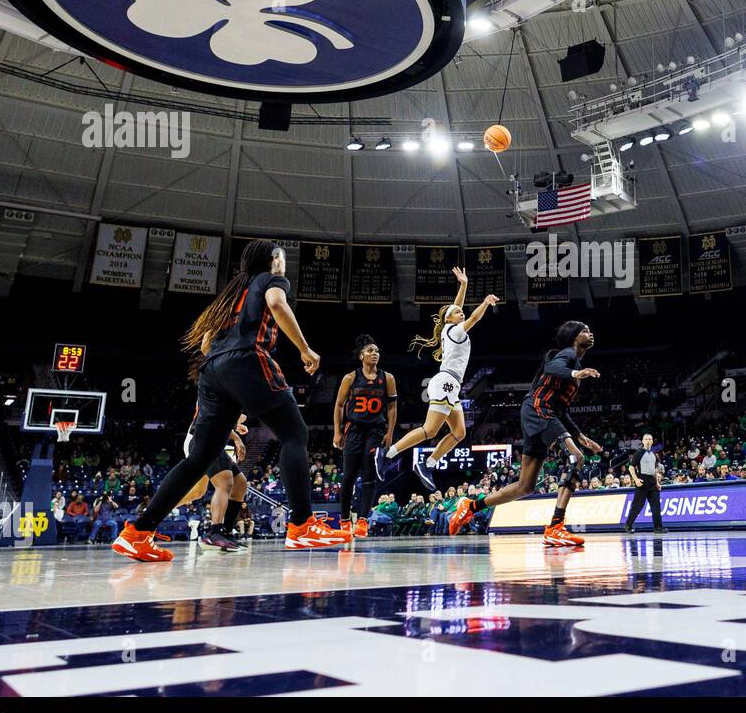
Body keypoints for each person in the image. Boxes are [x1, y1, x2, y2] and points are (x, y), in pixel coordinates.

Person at [113, 239, 351, 562]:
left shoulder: (230, 296)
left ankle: (138, 533)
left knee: (198, 460)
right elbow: (278, 304)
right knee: (295, 434)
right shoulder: (270, 279)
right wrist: (304, 348)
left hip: (212, 371)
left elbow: (208, 343)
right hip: (247, 359)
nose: (283, 263)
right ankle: (302, 525)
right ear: (273, 261)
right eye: (281, 257)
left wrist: (228, 372)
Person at [446, 321, 602, 546]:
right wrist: (578, 372)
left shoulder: (573, 363)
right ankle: (556, 526)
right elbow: (551, 369)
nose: (591, 332)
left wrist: (581, 436)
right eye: (585, 330)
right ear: (574, 337)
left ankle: (471, 506)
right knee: (576, 458)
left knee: (525, 486)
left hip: (538, 411)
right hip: (539, 409)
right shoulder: (566, 355)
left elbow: (562, 410)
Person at [385, 267, 499, 489]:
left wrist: (464, 285)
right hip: (446, 382)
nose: (461, 312)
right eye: (458, 313)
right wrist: (485, 302)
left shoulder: (450, 327)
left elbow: (457, 308)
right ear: (450, 318)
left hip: (450, 384)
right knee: (430, 430)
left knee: (459, 432)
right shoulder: (456, 330)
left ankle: (429, 463)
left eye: (460, 311)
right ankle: (388, 454)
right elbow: (474, 317)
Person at [332, 334, 397, 538]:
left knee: (369, 476)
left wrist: (390, 432)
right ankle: (344, 520)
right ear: (361, 355)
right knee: (349, 476)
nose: (374, 354)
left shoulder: (387, 378)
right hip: (354, 429)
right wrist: (337, 431)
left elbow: (393, 406)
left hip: (376, 431)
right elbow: (339, 405)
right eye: (370, 351)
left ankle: (362, 521)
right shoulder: (350, 378)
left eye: (377, 351)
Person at [175, 411, 250, 552]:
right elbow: (212, 421)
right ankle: (214, 535)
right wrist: (236, 436)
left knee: (238, 484)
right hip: (200, 439)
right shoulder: (214, 391)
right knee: (224, 482)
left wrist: (234, 427)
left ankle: (225, 533)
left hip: (214, 441)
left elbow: (222, 422)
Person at [624, 434, 664, 533]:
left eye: (650, 439)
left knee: (656, 506)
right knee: (637, 506)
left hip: (652, 482)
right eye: (646, 439)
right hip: (642, 480)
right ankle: (628, 525)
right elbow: (631, 467)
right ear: (643, 441)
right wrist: (636, 480)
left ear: (652, 441)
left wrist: (657, 483)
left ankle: (658, 528)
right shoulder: (638, 453)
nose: (648, 441)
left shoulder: (654, 454)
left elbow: (654, 470)